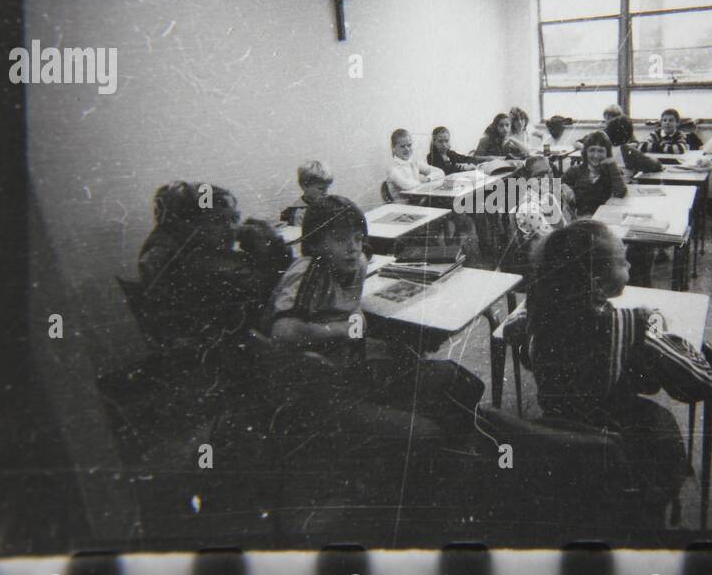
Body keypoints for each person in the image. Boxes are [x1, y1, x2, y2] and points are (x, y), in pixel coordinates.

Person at [507, 220, 712, 519]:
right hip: (622, 446)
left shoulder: (531, 320)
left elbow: (531, 356)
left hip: (557, 434)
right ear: (596, 282)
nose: (630, 263)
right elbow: (701, 381)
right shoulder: (633, 324)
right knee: (657, 424)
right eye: (622, 260)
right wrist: (655, 325)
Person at [262, 195, 487, 459]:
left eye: (358, 238)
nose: (352, 248)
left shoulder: (355, 261)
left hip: (354, 366)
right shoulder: (309, 272)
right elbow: (283, 332)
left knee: (464, 381)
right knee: (436, 415)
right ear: (315, 243)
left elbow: (363, 258)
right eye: (340, 240)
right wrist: (344, 328)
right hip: (327, 387)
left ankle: (460, 451)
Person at [136, 181, 268, 358]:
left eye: (234, 219)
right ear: (190, 225)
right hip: (227, 347)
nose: (232, 229)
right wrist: (267, 249)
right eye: (218, 221)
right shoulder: (204, 262)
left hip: (208, 341)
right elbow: (265, 290)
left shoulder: (168, 248)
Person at [562, 130, 627, 216]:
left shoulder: (611, 171)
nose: (596, 155)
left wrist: (612, 165)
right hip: (580, 219)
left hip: (604, 217)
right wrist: (564, 188)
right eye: (592, 150)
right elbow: (555, 189)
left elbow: (621, 193)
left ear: (607, 154)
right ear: (586, 152)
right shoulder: (574, 171)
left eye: (600, 151)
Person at [386, 128, 445, 199]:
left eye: (409, 145)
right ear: (393, 148)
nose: (407, 149)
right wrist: (420, 180)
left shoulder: (414, 162)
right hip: (402, 205)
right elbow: (406, 185)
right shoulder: (392, 168)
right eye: (402, 146)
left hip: (418, 200)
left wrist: (428, 178)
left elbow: (440, 172)